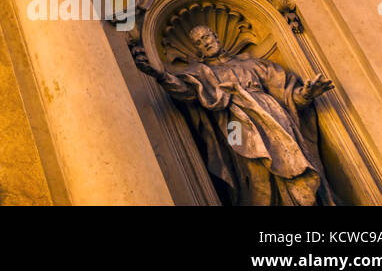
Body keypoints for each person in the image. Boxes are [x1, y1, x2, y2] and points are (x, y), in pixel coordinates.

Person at [138, 25, 335, 205]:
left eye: (206, 37)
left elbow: (286, 94)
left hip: (273, 115)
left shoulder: (254, 65)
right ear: (197, 49)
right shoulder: (201, 73)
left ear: (216, 36)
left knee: (290, 158)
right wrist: (161, 75)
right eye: (198, 42)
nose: (205, 42)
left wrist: (307, 93)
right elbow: (186, 91)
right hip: (234, 125)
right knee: (252, 171)